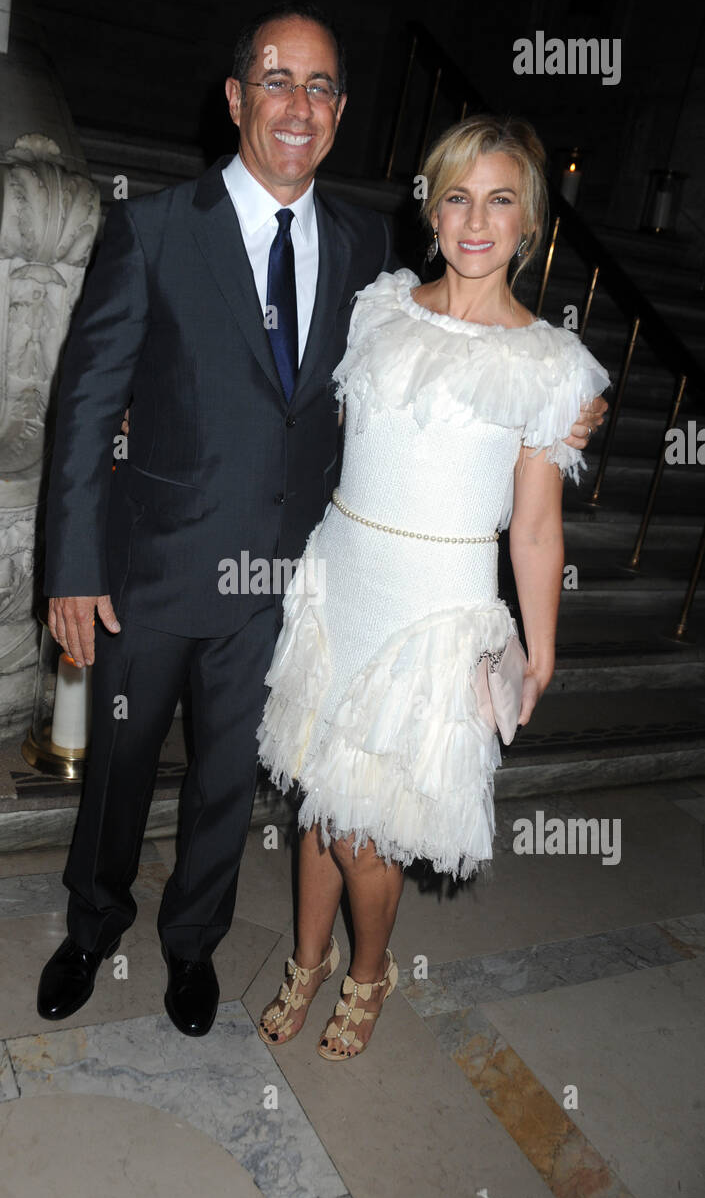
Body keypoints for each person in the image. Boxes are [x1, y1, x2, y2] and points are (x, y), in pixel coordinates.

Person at [36, 3, 395, 1035]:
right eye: (278, 80)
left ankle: (190, 945)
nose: (299, 105)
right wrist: (71, 562)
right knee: (118, 765)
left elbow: (414, 376)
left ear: (337, 112)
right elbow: (87, 406)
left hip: (279, 585)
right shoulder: (153, 230)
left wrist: (550, 397)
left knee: (228, 786)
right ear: (235, 98)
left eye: (321, 86)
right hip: (145, 574)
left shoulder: (367, 241)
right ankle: (94, 921)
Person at [255, 114, 611, 1060]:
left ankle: (366, 971)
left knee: (367, 831)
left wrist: (540, 650)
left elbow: (534, 528)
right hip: (341, 582)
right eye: (457, 196)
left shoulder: (550, 367)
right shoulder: (379, 307)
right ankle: (305, 957)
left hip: (433, 610)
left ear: (530, 220)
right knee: (316, 806)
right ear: (431, 207)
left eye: (500, 200)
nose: (476, 219)